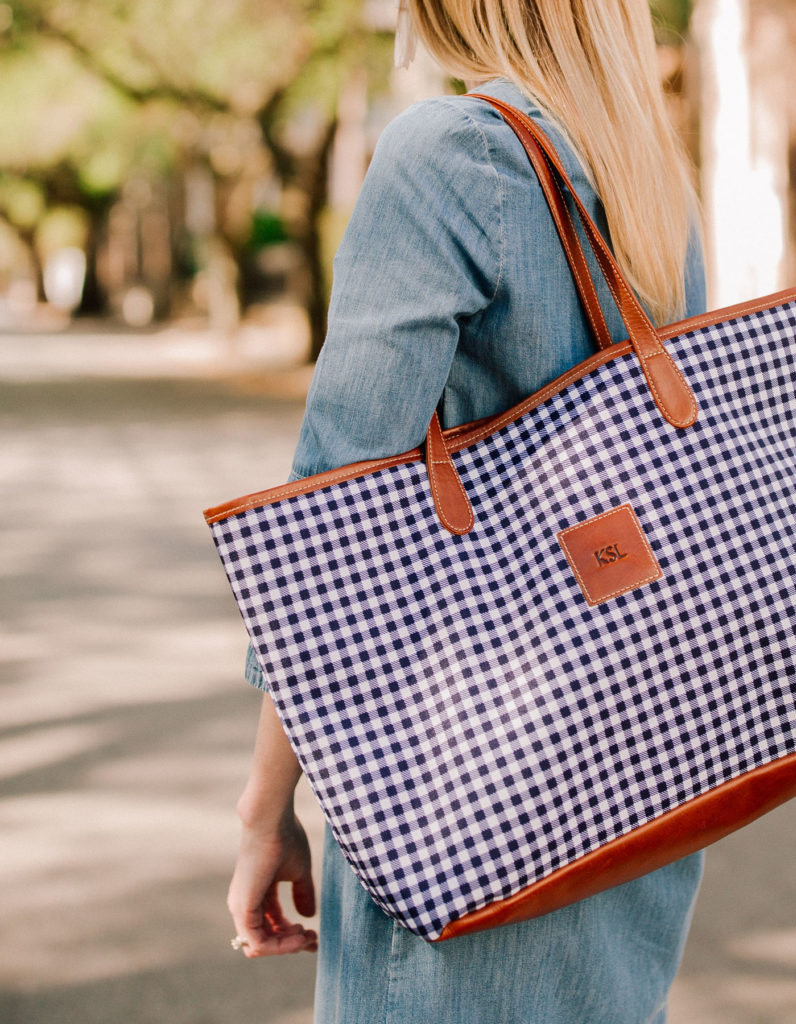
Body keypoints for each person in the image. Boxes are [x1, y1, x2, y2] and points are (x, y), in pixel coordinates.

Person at [226, 2, 708, 1021]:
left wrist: (264, 807)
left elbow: (333, 517)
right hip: (648, 764)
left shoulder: (448, 155)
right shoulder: (645, 175)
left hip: (468, 780)